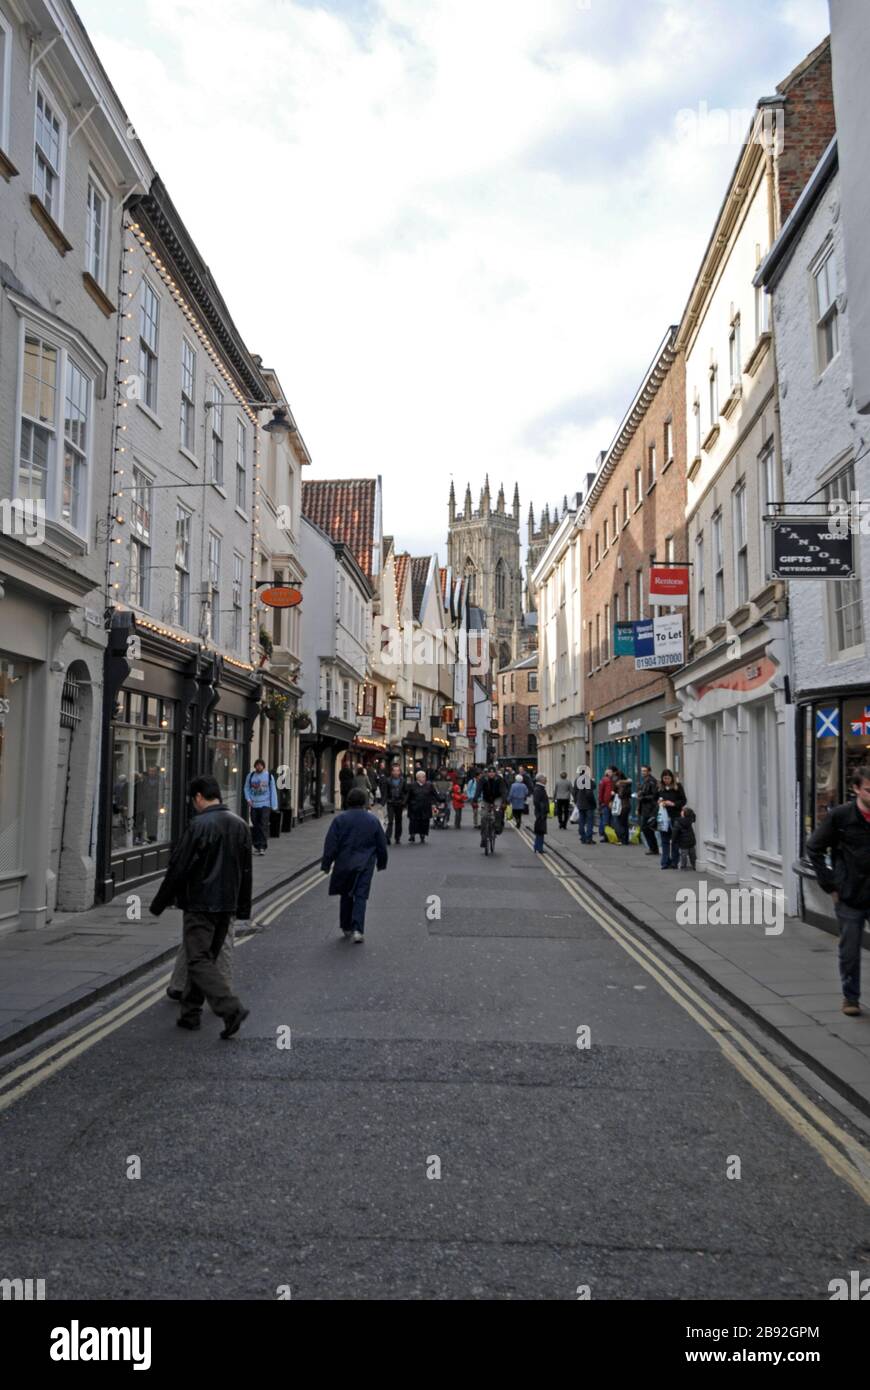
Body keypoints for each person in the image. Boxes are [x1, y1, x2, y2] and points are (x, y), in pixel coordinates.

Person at [150, 774, 251, 1038]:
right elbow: (246, 871)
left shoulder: (199, 825)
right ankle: (190, 1014)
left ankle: (230, 1008)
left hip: (200, 904)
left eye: (191, 800)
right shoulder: (240, 824)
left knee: (197, 960)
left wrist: (160, 903)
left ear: (198, 797)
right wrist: (241, 908)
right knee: (205, 959)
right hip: (226, 906)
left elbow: (179, 867)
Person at [807, 765, 870, 1017]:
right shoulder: (841, 817)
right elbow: (814, 848)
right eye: (868, 790)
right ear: (855, 789)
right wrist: (830, 884)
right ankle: (850, 998)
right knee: (850, 952)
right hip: (850, 895)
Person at [320, 787, 388, 943]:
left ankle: (346, 926)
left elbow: (331, 844)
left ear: (348, 801)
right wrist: (382, 863)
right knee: (360, 895)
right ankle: (358, 929)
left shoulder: (339, 820)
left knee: (346, 894)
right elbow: (381, 844)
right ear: (364, 801)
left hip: (344, 862)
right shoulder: (372, 820)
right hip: (365, 864)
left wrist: (326, 864)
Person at [244, 758, 277, 856]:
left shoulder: (269, 776)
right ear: (255, 766)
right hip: (254, 804)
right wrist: (248, 799)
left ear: (263, 766)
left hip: (265, 804)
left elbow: (273, 791)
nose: (259, 767)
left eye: (260, 765)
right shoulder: (250, 776)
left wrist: (274, 805)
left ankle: (262, 846)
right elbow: (246, 788)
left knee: (263, 825)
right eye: (257, 765)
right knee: (255, 825)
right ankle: (257, 846)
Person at [657, 769, 687, 869]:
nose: (666, 780)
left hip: (675, 816)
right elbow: (654, 799)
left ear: (672, 778)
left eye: (668, 778)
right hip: (663, 817)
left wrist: (673, 804)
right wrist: (659, 802)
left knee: (675, 840)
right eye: (664, 778)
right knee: (664, 840)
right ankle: (664, 863)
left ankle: (674, 862)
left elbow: (683, 800)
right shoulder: (660, 788)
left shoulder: (677, 787)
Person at [476, 766, 508, 849]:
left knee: (497, 810)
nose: (491, 774)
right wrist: (475, 799)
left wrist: (504, 801)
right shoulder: (483, 779)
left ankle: (497, 826)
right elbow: (478, 789)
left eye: (493, 772)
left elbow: (503, 791)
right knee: (483, 817)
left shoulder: (499, 779)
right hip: (486, 799)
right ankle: (483, 839)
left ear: (495, 773)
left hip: (497, 798)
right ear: (487, 773)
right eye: (490, 772)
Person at [407, 769, 441, 844]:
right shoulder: (412, 785)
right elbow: (408, 796)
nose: (424, 778)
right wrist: (405, 804)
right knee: (413, 822)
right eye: (423, 777)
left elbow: (434, 794)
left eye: (425, 777)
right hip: (414, 807)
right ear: (418, 778)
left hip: (425, 806)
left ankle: (422, 835)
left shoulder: (429, 785)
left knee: (424, 822)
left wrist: (440, 800)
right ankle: (412, 835)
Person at [637, 765, 660, 856]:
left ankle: (653, 848)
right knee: (646, 828)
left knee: (646, 827)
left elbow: (654, 796)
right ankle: (653, 848)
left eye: (645, 771)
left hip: (649, 808)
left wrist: (642, 797)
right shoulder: (645, 781)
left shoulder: (651, 781)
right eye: (642, 771)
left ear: (649, 772)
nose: (643, 773)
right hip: (645, 807)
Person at [384, 762, 408, 845]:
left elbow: (406, 792)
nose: (396, 772)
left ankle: (397, 837)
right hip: (390, 803)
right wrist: (385, 801)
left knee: (398, 821)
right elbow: (385, 792)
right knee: (390, 821)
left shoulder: (403, 781)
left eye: (398, 771)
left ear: (400, 772)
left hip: (399, 803)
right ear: (391, 772)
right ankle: (387, 837)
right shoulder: (387, 780)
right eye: (394, 771)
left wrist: (404, 801)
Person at [573, 766, 597, 845]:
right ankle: (588, 838)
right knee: (589, 822)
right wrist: (593, 803)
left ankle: (583, 837)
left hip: (580, 804)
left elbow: (574, 792)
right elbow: (590, 792)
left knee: (581, 821)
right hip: (588, 804)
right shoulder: (587, 780)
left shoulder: (577, 780)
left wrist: (576, 801)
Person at [673, 806, 697, 870]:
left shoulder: (678, 821)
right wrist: (691, 811)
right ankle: (694, 865)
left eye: (682, 811)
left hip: (682, 841)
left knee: (683, 854)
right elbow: (694, 817)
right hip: (691, 840)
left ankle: (683, 866)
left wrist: (673, 840)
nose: (681, 812)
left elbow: (675, 832)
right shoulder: (690, 820)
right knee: (692, 854)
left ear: (683, 813)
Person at [613, 769, 632, 845]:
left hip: (622, 806)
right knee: (624, 823)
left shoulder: (622, 786)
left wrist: (619, 786)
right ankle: (625, 840)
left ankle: (622, 839)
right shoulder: (627, 785)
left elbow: (620, 795)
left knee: (621, 823)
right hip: (626, 805)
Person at [532, 774, 550, 854]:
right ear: (540, 780)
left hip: (541, 813)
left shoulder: (540, 788)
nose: (546, 780)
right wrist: (542, 810)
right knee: (540, 831)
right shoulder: (539, 789)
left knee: (540, 830)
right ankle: (539, 847)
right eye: (545, 778)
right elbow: (536, 801)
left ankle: (537, 846)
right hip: (540, 813)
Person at [597, 766, 615, 842]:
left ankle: (606, 836)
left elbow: (601, 793)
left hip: (605, 803)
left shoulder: (604, 780)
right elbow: (606, 794)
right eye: (610, 772)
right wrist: (606, 802)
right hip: (607, 804)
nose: (611, 774)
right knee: (607, 820)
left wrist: (601, 802)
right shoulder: (607, 781)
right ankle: (606, 836)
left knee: (605, 820)